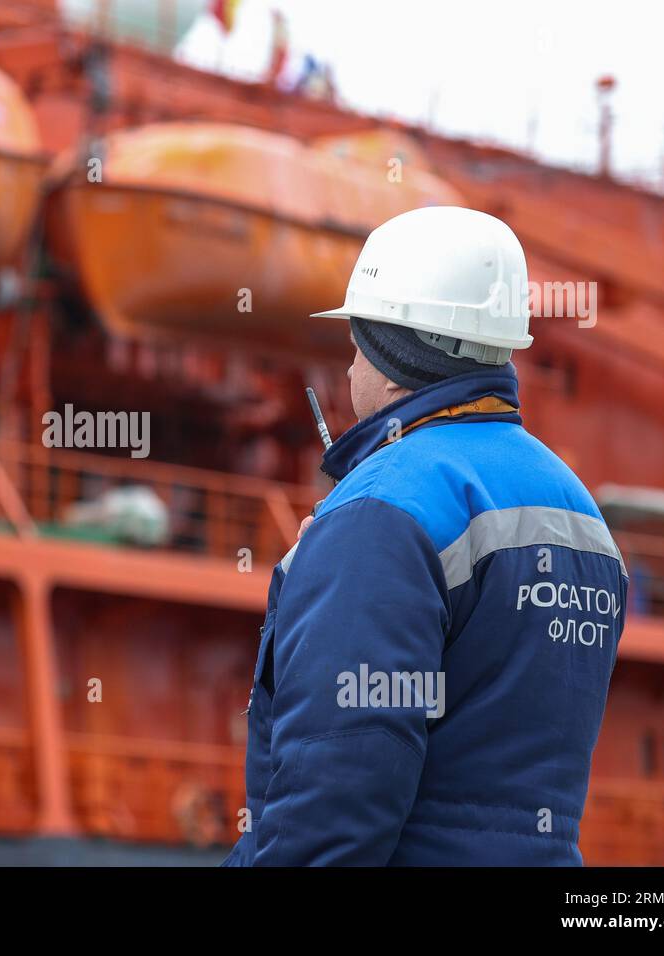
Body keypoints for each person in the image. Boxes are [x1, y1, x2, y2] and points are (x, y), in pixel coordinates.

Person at [223, 206, 627, 865]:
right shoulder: (575, 506)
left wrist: (340, 556)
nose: (350, 365)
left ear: (392, 359)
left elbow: (330, 819)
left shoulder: (382, 509)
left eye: (357, 343)